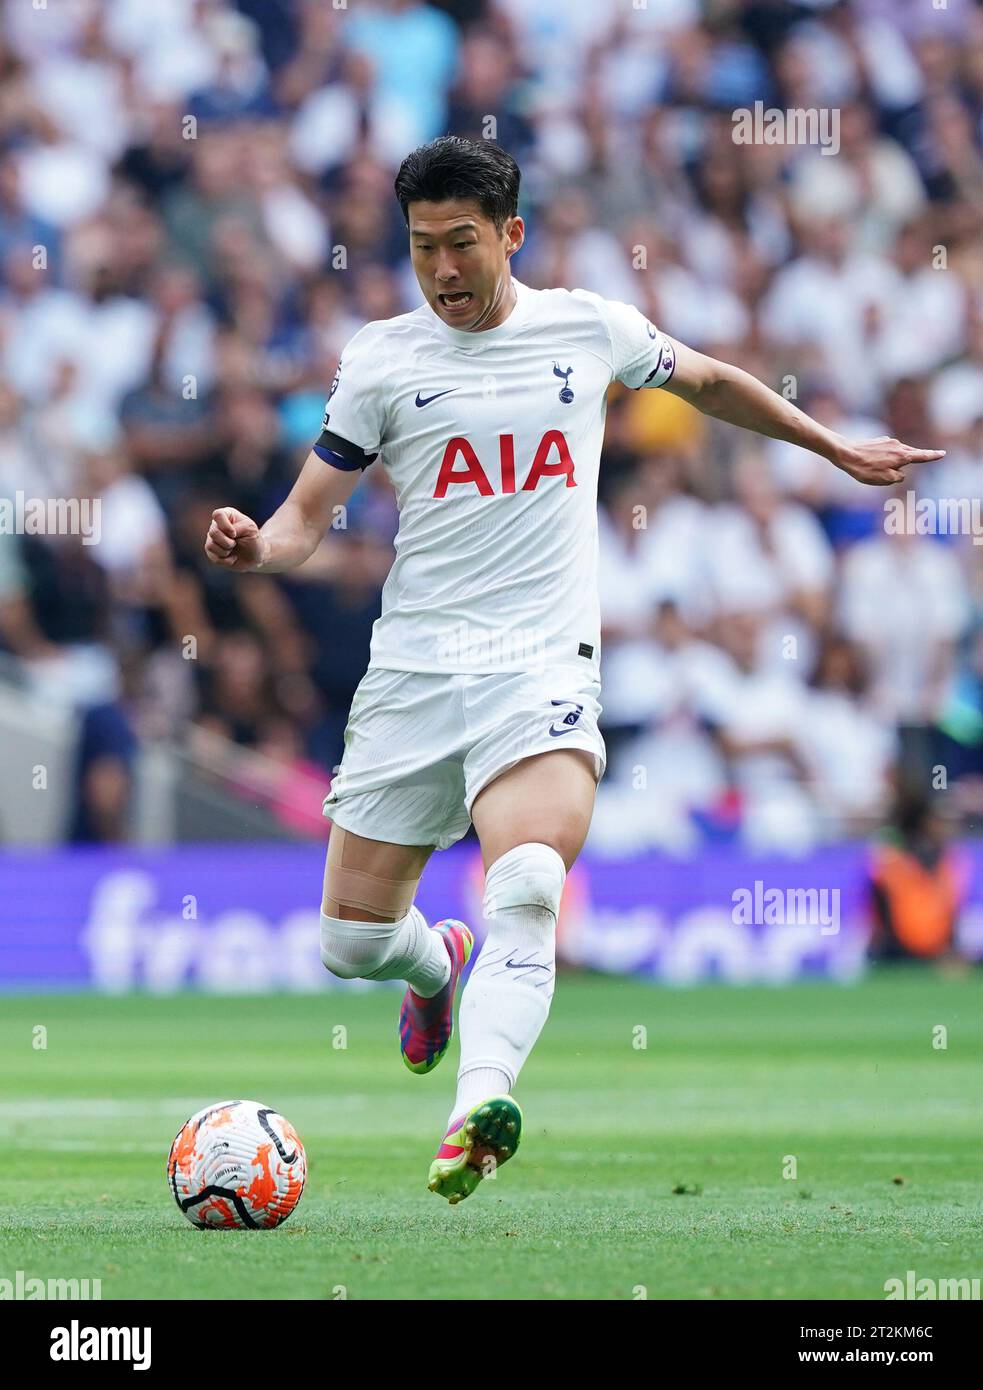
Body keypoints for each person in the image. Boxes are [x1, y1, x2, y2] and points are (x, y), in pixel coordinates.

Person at [204, 136, 943, 1204]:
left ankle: (479, 1101)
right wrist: (254, 549)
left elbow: (711, 381)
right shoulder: (379, 360)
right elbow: (305, 519)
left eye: (463, 243)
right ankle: (435, 967)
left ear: (511, 234)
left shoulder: (585, 328)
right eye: (423, 250)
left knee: (532, 881)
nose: (445, 270)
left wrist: (830, 446)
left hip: (539, 665)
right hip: (414, 674)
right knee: (350, 944)